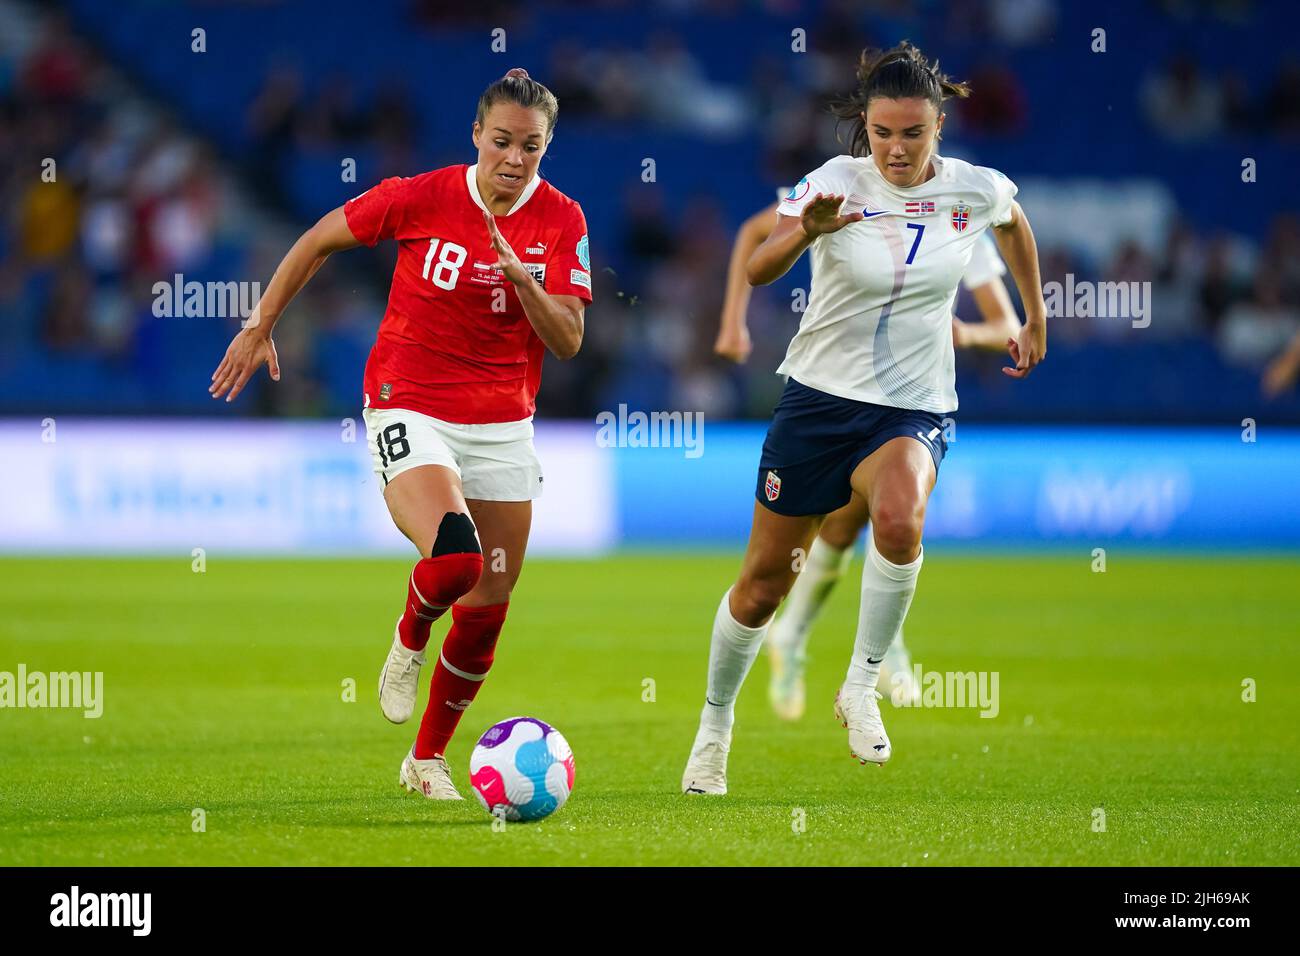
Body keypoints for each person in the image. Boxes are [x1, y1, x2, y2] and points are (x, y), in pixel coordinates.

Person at [209, 69, 592, 800]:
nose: (515, 159)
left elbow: (570, 340)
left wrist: (526, 283)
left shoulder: (562, 219)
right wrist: (261, 324)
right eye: (503, 141)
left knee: (489, 606)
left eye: (531, 147)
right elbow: (318, 238)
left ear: (547, 147)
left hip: (505, 422)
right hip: (408, 400)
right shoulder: (421, 196)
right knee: (454, 563)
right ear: (477, 136)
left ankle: (425, 761)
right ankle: (409, 638)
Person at [682, 42, 1046, 794]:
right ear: (865, 127)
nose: (896, 148)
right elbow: (756, 266)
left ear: (938, 126)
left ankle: (862, 683)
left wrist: (1035, 315)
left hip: (913, 405)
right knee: (760, 587)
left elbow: (1012, 224)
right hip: (818, 402)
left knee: (902, 518)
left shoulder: (971, 189)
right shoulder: (834, 182)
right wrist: (806, 231)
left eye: (912, 133)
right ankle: (714, 729)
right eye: (883, 132)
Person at [716, 204, 1022, 720]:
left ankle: (822, 642)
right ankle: (815, 638)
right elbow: (752, 230)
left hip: (905, 404)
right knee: (837, 528)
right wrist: (733, 324)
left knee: (885, 515)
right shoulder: (844, 190)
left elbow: (1006, 326)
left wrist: (964, 334)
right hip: (831, 388)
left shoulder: (957, 214)